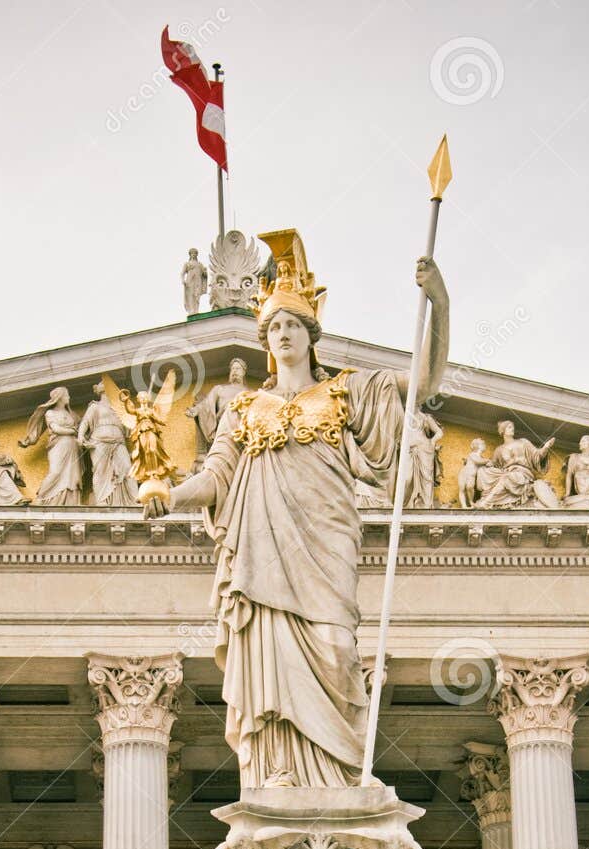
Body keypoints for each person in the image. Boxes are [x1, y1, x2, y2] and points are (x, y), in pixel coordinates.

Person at [136, 252, 449, 787]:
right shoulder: (244, 411)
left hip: (326, 547)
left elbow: (423, 382)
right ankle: (279, 771)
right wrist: (171, 494)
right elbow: (217, 476)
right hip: (262, 559)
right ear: (265, 342)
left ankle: (340, 778)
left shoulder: (346, 392)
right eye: (274, 327)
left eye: (292, 325)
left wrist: (438, 301)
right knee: (271, 662)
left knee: (336, 651)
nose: (282, 333)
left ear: (311, 335)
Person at [18, 388, 83, 506]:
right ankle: (42, 498)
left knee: (73, 476)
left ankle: (71, 502)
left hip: (73, 448)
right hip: (58, 445)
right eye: (67, 395)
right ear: (59, 397)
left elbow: (83, 426)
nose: (69, 397)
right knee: (56, 471)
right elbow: (56, 429)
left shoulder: (72, 415)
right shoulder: (50, 413)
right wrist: (73, 431)